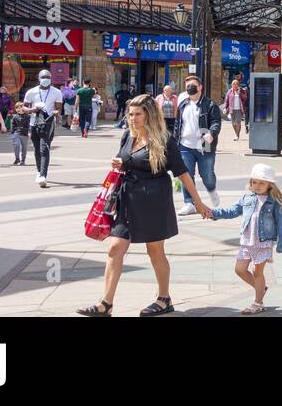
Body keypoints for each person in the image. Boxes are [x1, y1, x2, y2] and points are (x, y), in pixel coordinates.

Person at [76, 95, 212, 317]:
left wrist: (197, 202)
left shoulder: (164, 139)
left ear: (149, 114)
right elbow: (124, 159)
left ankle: (164, 298)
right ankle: (106, 303)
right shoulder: (128, 136)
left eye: (138, 114)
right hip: (127, 199)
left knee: (155, 250)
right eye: (130, 114)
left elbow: (182, 172)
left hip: (154, 200)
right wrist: (118, 162)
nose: (133, 118)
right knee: (115, 248)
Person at [208, 163, 282, 314]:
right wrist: (214, 213)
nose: (257, 186)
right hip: (246, 242)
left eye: (261, 183)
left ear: (269, 185)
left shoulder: (274, 202)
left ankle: (258, 303)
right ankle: (261, 288)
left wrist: (281, 244)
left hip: (263, 243)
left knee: (258, 273)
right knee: (240, 269)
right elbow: (232, 211)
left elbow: (280, 223)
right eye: (254, 182)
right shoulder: (246, 198)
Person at [175, 77, 221, 215]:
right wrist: (173, 141)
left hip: (204, 145)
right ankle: (189, 203)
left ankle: (211, 189)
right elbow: (177, 124)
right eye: (187, 85)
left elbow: (216, 122)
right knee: (186, 175)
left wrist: (211, 133)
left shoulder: (210, 104)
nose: (189, 87)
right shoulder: (183, 104)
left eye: (192, 85)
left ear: (200, 87)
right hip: (185, 146)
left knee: (206, 174)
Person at [23, 69, 63, 187]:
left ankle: (43, 175)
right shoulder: (31, 92)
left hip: (48, 123)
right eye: (44, 77)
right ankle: (39, 171)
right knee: (36, 149)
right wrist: (32, 110)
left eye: (48, 77)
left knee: (44, 148)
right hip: (34, 123)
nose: (46, 79)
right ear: (39, 78)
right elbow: (23, 107)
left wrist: (56, 112)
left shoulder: (56, 92)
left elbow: (59, 108)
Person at [224, 76, 248, 140]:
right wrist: (224, 108)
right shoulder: (229, 91)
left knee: (238, 123)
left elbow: (245, 98)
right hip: (232, 109)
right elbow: (226, 100)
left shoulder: (242, 90)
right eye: (233, 84)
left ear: (238, 85)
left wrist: (239, 93)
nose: (234, 85)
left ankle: (237, 136)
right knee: (233, 123)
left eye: (236, 84)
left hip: (239, 109)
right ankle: (236, 134)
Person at [9, 99, 31, 166]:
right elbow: (12, 125)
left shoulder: (28, 116)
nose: (19, 109)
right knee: (17, 145)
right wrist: (12, 133)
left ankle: (23, 160)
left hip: (24, 133)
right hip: (16, 133)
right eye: (17, 108)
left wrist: (29, 132)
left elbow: (29, 125)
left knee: (24, 148)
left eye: (20, 107)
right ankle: (17, 158)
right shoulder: (15, 116)